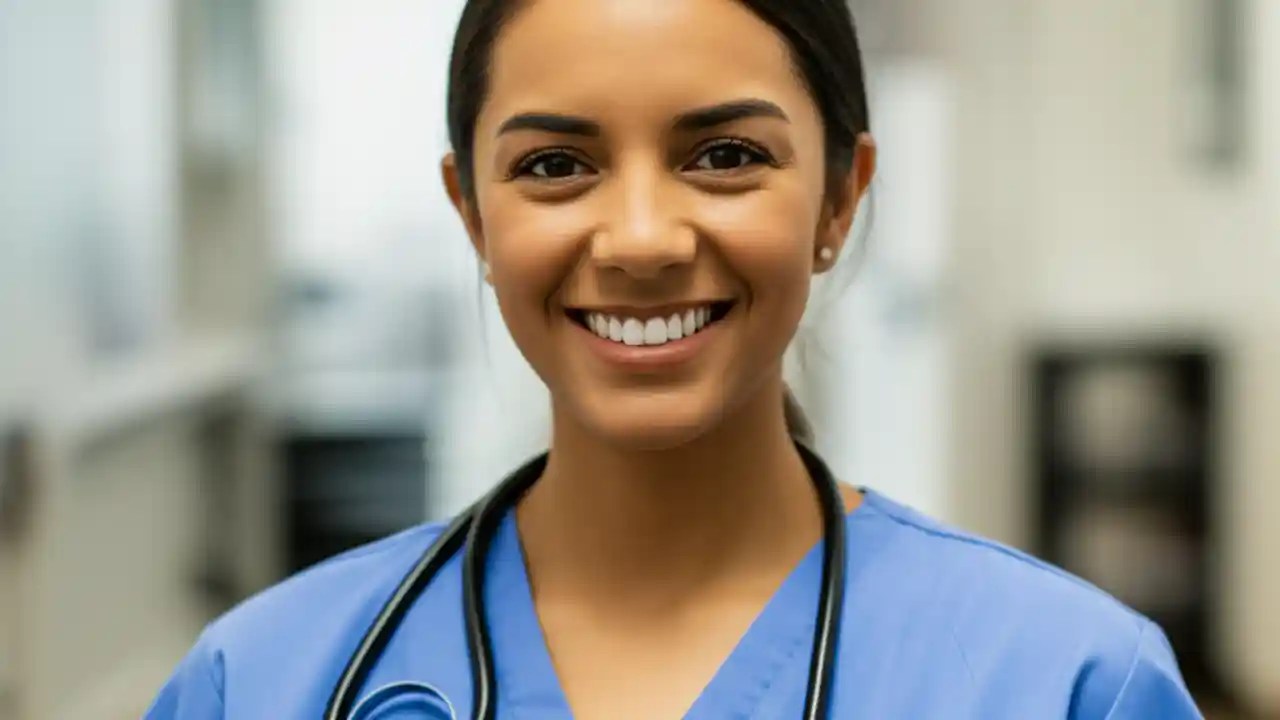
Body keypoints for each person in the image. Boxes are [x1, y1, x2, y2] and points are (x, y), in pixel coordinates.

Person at [147, 0, 1204, 717]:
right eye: (556, 165)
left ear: (839, 195)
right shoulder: (266, 681)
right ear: (470, 211)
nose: (641, 239)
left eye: (725, 157)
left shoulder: (1061, 682)